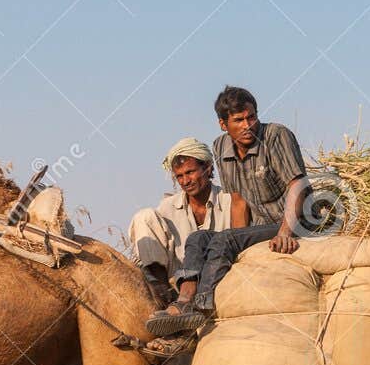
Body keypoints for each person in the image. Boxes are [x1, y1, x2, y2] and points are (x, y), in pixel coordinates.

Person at [145, 85, 310, 337]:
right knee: (198, 238)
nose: (248, 125)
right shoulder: (221, 147)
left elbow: (298, 185)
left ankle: (203, 306)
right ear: (223, 124)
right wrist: (239, 246)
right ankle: (184, 300)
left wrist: (286, 232)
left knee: (225, 238)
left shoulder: (276, 136)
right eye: (238, 120)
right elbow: (238, 200)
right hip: (258, 228)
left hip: (291, 222)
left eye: (251, 117)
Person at [128, 138, 250, 305]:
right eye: (179, 176)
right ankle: (164, 297)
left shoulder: (230, 201)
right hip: (176, 284)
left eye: (190, 172)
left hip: (220, 278)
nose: (185, 181)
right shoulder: (167, 208)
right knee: (144, 216)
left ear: (207, 168)